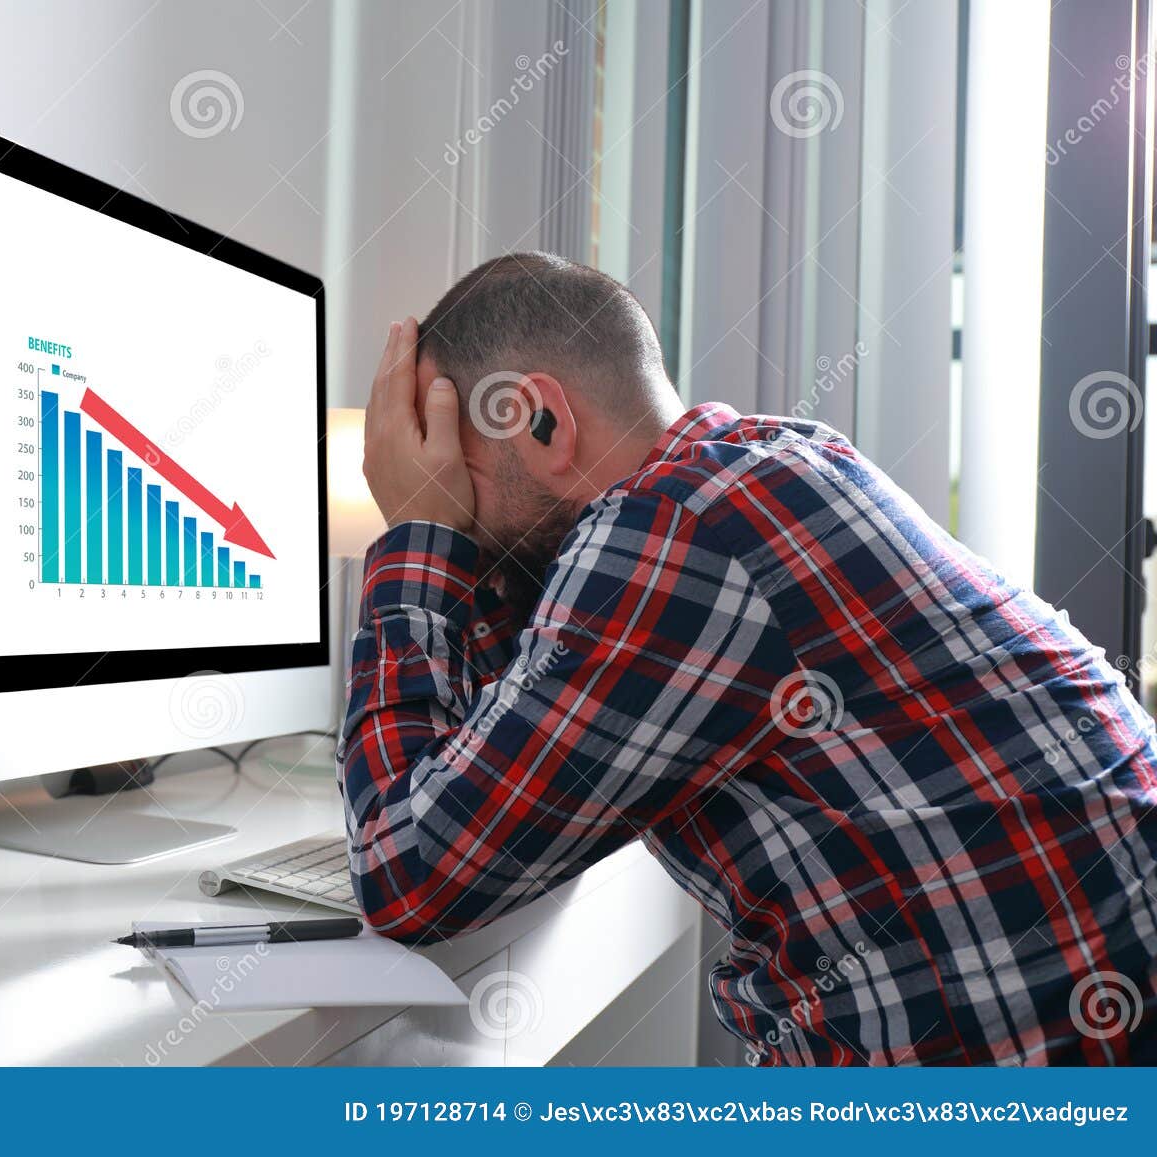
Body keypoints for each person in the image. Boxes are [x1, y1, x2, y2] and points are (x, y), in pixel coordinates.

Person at [339, 251, 1157, 1066]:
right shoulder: (767, 464)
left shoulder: (675, 526)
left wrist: (418, 535)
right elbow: (500, 754)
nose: (455, 509)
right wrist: (461, 546)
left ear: (540, 419)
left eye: (456, 472)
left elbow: (409, 876)